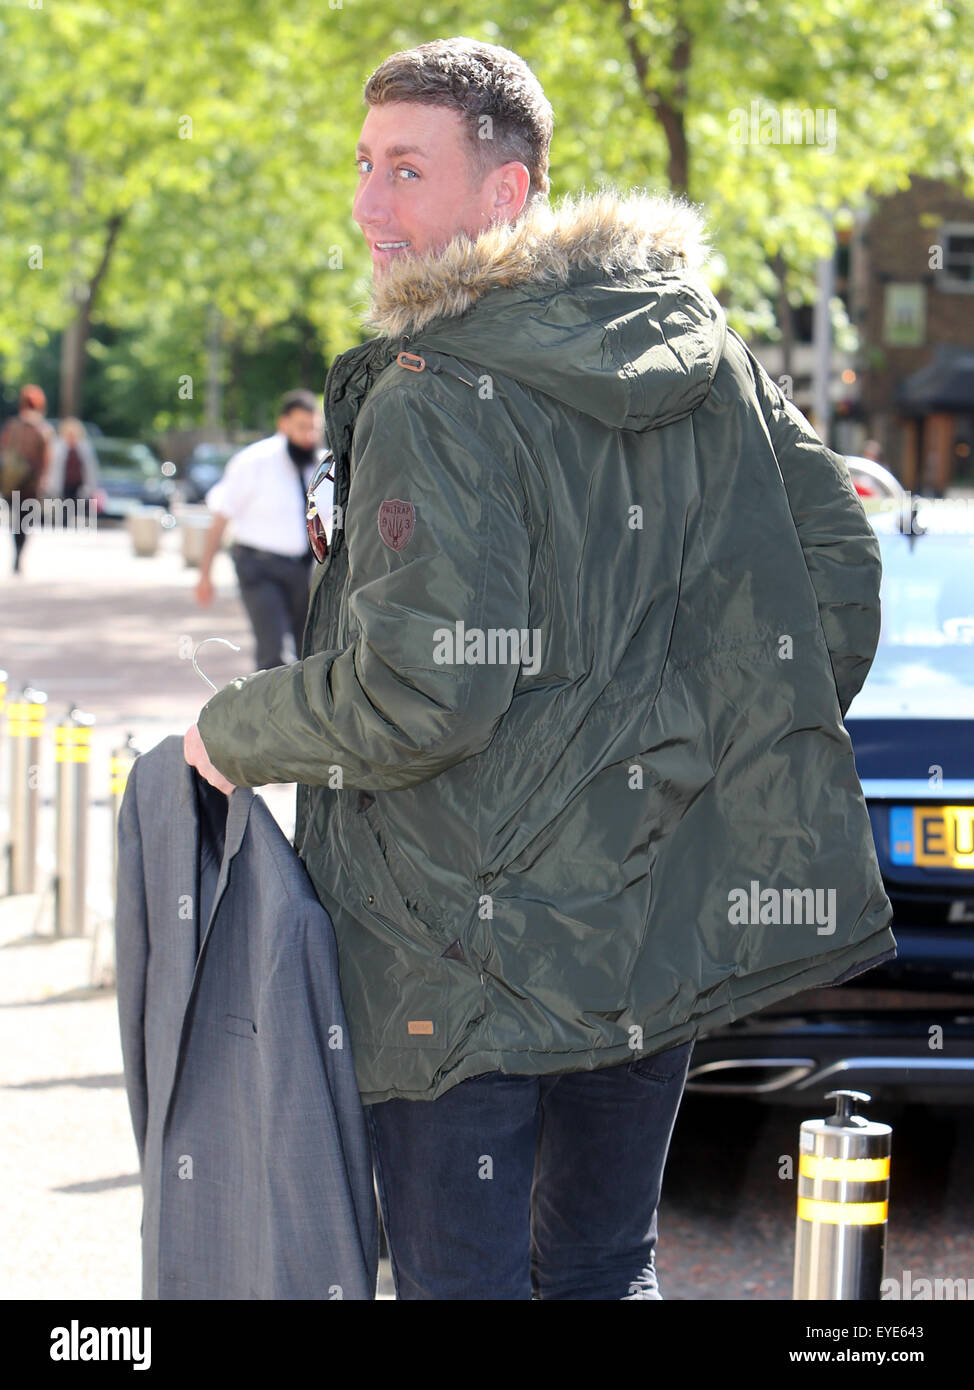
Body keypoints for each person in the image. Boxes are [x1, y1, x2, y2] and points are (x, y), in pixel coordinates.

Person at [183, 37, 896, 1300]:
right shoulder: (706, 354)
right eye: (362, 166)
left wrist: (227, 732)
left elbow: (418, 693)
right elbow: (832, 579)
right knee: (602, 1268)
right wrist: (683, 760)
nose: (364, 206)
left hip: (451, 957)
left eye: (405, 170)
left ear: (502, 194)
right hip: (644, 924)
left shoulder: (435, 390)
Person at [194, 390, 329, 672]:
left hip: (305, 570)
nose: (309, 435)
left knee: (312, 653)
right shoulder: (253, 461)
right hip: (259, 567)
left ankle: (300, 715)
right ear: (284, 424)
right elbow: (221, 518)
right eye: (301, 427)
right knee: (274, 653)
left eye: (314, 428)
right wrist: (205, 573)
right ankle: (270, 715)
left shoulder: (324, 465)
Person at [0, 384, 54, 574]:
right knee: (25, 521)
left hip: (12, 481)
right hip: (30, 483)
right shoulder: (43, 430)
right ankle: (18, 556)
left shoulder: (12, 426)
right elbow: (46, 460)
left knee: (16, 520)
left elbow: (4, 450)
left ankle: (17, 555)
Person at [46, 417, 99, 507]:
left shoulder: (84, 448)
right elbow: (52, 468)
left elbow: (91, 469)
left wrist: (91, 487)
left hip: (79, 487)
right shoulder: (58, 447)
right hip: (62, 486)